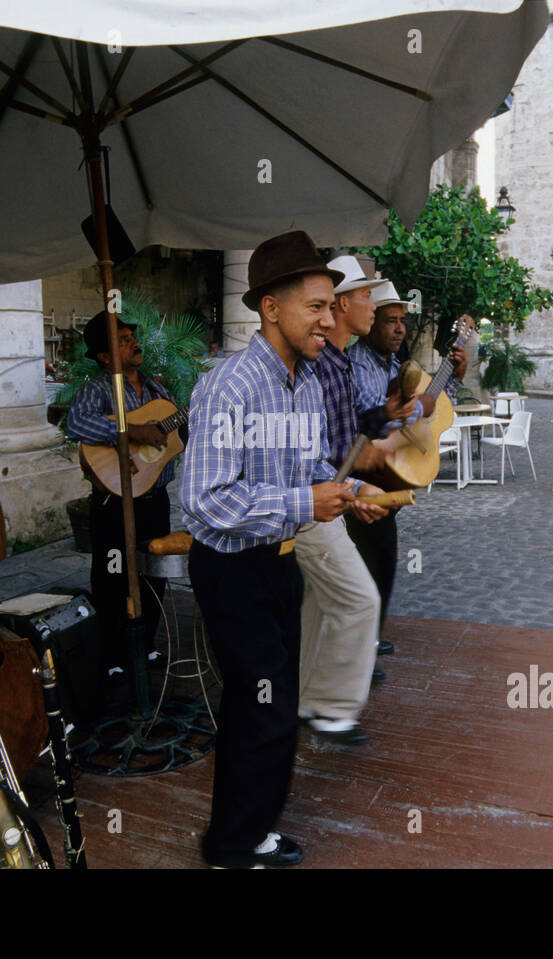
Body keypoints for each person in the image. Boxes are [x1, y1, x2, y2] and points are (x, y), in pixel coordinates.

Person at [181, 230, 380, 869]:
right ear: (271, 307)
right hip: (231, 571)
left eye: (332, 306)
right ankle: (232, 846)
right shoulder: (228, 386)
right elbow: (205, 501)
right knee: (263, 707)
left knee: (272, 704)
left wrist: (347, 488)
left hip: (280, 560)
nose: (330, 319)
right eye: (316, 307)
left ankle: (250, 829)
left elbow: (307, 465)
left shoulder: (307, 378)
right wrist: (305, 504)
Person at [290, 254, 392, 746]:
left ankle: (309, 698)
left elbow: (341, 436)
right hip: (314, 500)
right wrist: (353, 487)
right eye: (368, 295)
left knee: (322, 602)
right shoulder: (320, 364)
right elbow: (324, 449)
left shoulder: (335, 362)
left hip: (326, 493)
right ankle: (332, 709)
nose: (374, 305)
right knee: (357, 599)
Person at [349, 280, 463, 657]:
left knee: (382, 565)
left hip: (389, 480)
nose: (400, 329)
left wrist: (454, 380)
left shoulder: (395, 365)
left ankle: (369, 641)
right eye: (390, 321)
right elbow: (372, 419)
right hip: (364, 482)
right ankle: (359, 650)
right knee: (370, 567)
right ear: (371, 324)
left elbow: (434, 407)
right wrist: (416, 409)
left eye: (402, 321)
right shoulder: (359, 363)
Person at [65, 311, 180, 676]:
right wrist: (132, 432)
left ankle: (144, 647)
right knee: (113, 576)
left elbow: (173, 437)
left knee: (154, 572)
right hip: (113, 503)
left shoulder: (158, 391)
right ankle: (114, 656)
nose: (134, 343)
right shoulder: (97, 389)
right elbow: (76, 422)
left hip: (153, 500)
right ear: (103, 356)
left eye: (133, 336)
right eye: (123, 339)